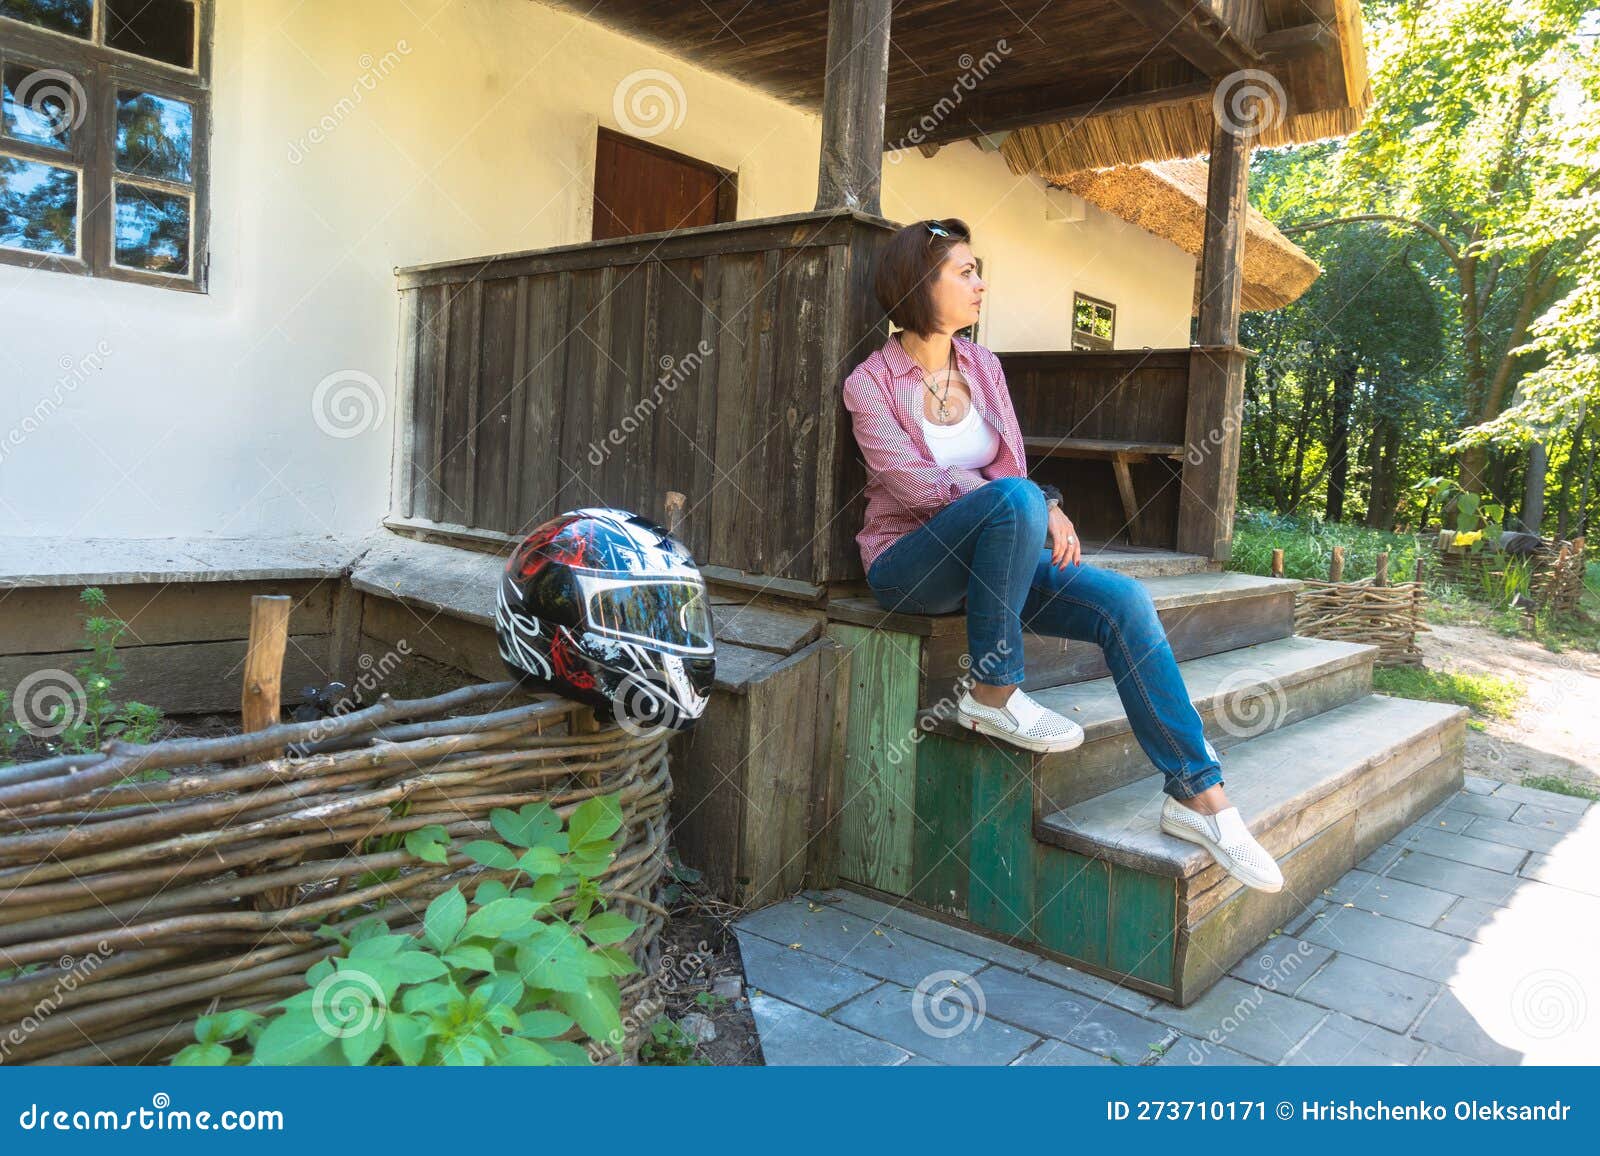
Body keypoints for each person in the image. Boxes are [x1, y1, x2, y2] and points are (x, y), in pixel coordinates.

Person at [841, 218, 1283, 893]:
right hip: (911, 564)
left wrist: (1031, 500)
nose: (979, 283)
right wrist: (1020, 502)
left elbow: (1012, 464)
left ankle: (1199, 798)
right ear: (919, 283)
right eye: (965, 272)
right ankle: (994, 690)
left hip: (994, 556)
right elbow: (912, 483)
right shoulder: (870, 383)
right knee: (1014, 497)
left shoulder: (984, 367)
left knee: (1124, 601)